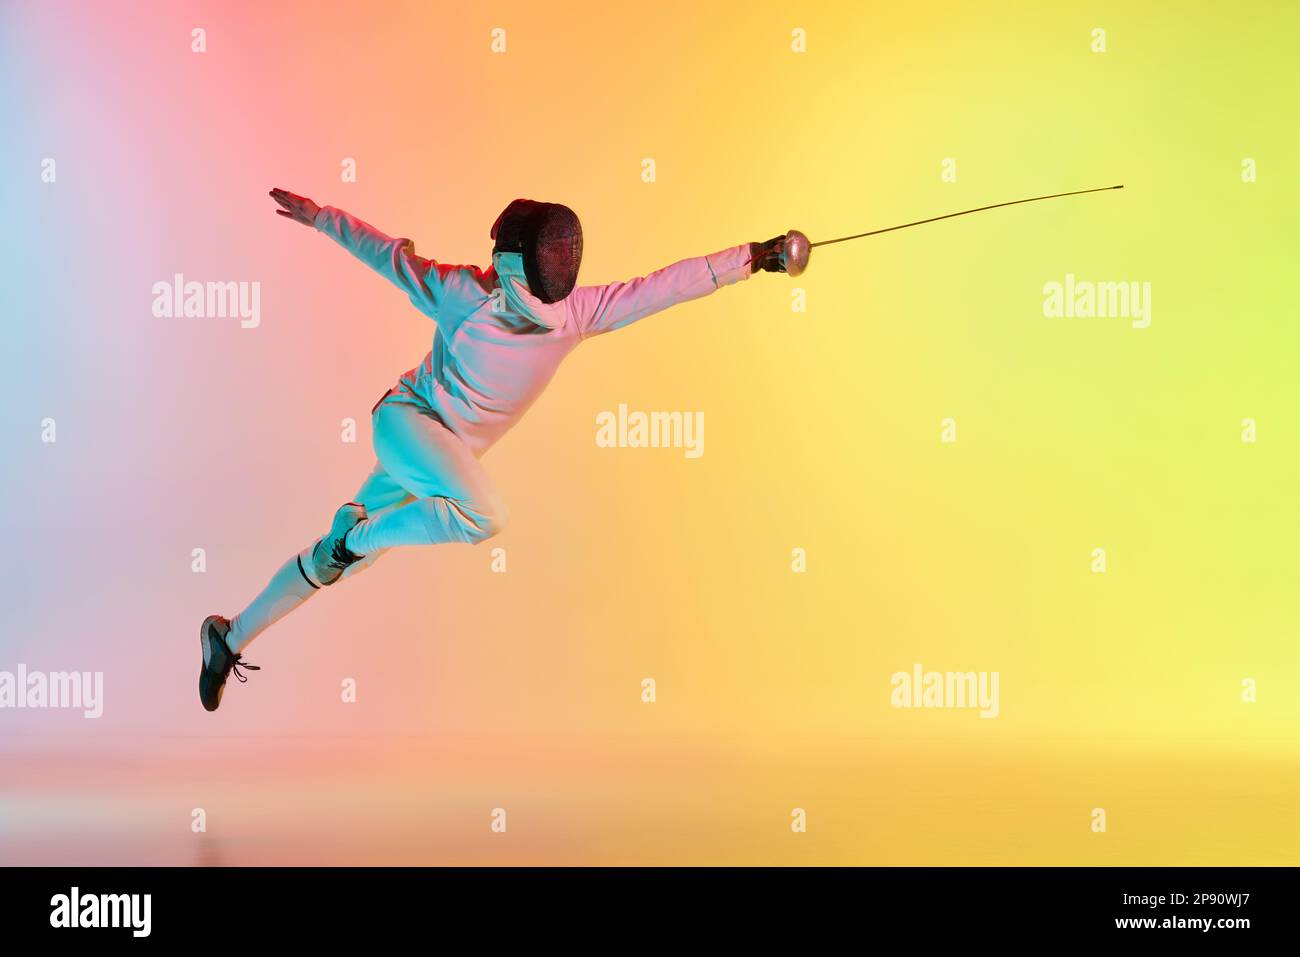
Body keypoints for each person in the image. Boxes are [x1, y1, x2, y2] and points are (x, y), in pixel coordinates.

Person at [198, 188, 791, 711]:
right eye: (553, 252)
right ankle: (353, 535)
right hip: (407, 423)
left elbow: (662, 287)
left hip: (440, 457)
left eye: (564, 252)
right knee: (484, 515)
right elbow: (389, 257)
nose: (561, 264)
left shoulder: (574, 313)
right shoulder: (466, 293)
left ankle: (230, 635)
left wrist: (751, 258)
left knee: (335, 563)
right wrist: (324, 217)